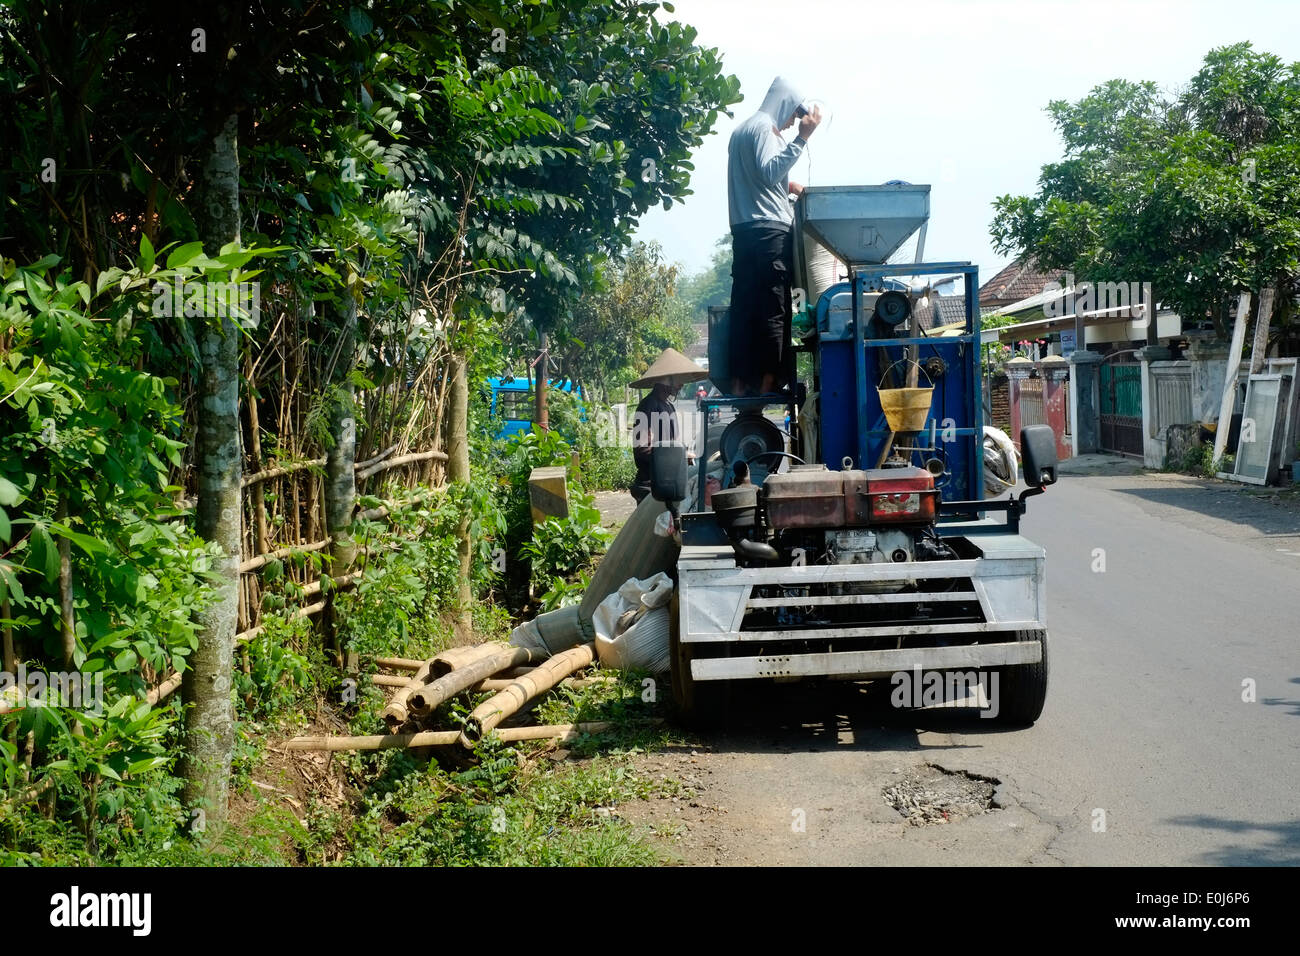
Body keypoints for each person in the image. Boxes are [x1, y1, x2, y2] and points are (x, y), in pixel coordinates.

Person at [727, 77, 823, 396]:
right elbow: (769, 172)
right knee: (773, 309)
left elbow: (760, 180)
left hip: (744, 233)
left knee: (744, 310)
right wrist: (802, 138)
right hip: (770, 234)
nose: (792, 122)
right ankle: (769, 382)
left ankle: (739, 384)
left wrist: (788, 187)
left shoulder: (742, 130)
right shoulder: (767, 129)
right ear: (784, 105)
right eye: (794, 115)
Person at [627, 348, 704, 504]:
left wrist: (683, 454)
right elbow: (643, 449)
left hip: (668, 481)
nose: (681, 385)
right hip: (651, 485)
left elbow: (673, 444)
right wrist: (678, 456)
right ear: (665, 380)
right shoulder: (648, 406)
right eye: (677, 380)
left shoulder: (668, 405)